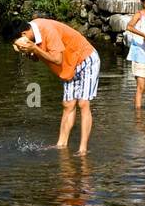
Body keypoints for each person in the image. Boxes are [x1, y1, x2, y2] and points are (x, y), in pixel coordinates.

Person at [10, 17, 100, 155]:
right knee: (68, 104)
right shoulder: (32, 31)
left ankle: (83, 148)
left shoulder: (47, 29)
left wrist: (34, 48)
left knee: (83, 103)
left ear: (23, 35)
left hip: (86, 59)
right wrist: (30, 52)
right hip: (69, 66)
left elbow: (57, 60)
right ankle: (61, 144)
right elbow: (37, 58)